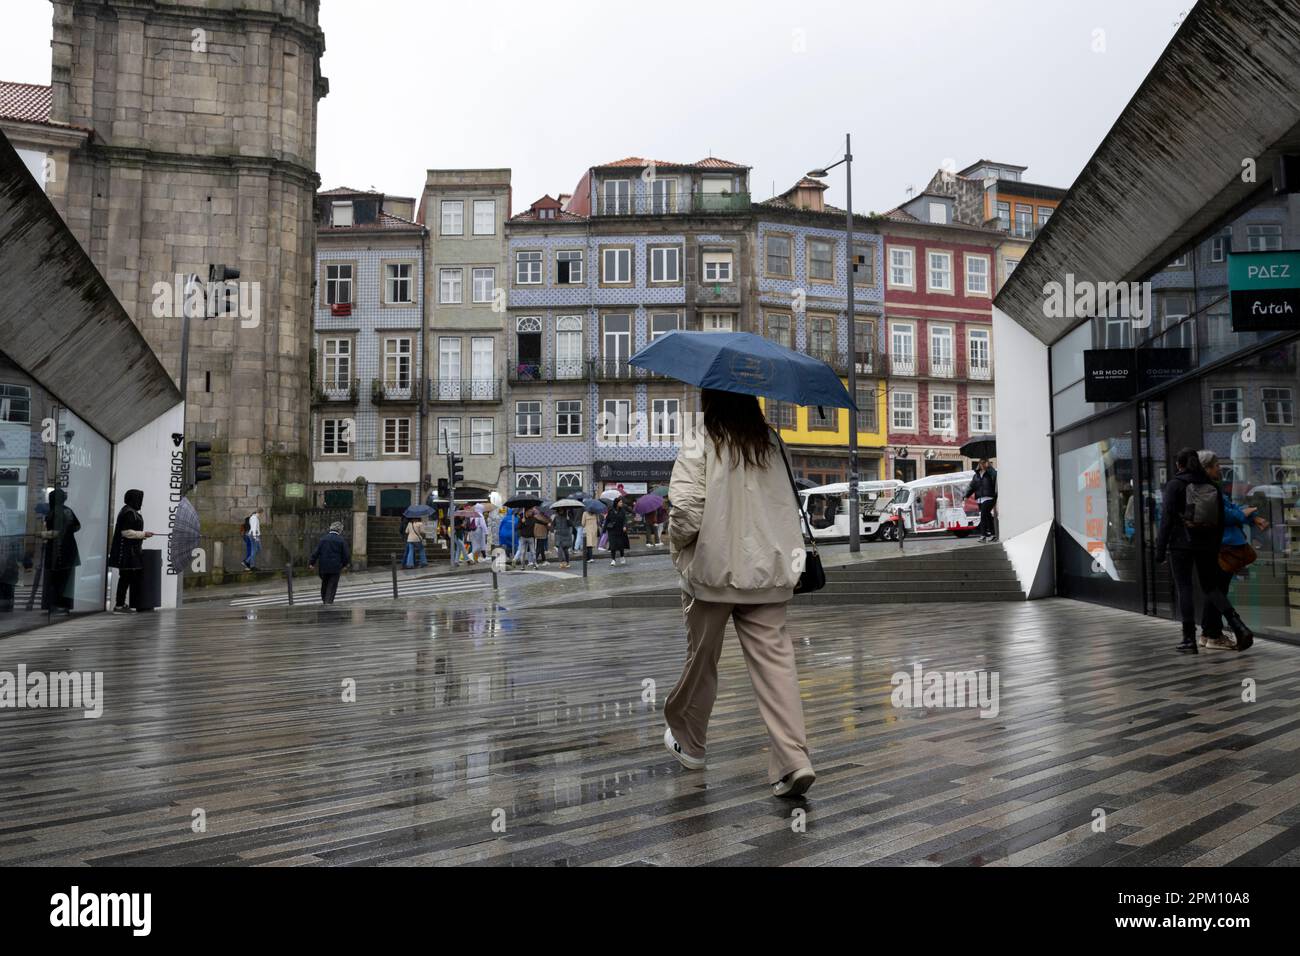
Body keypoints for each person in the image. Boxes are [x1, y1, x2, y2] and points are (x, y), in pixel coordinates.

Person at [663, 388, 814, 798]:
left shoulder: (701, 437)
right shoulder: (771, 441)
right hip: (769, 573)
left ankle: (691, 743)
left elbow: (687, 509)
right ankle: (793, 760)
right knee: (776, 667)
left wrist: (677, 544)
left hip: (713, 574)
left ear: (710, 398)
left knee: (702, 660)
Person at [1155, 448, 1252, 654]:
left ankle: (1189, 639)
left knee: (1185, 589)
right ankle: (1239, 627)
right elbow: (1218, 522)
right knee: (1211, 588)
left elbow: (1166, 520)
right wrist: (1215, 546)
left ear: (1179, 465)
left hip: (1180, 545)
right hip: (1207, 545)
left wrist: (1160, 550)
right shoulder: (1212, 486)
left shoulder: (1175, 485)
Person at [1199, 450, 1267, 651]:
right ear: (1207, 468)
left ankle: (1207, 633)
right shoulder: (1207, 489)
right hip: (1223, 545)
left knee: (1215, 590)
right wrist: (1243, 513)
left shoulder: (1212, 488)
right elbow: (1224, 515)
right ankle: (1214, 635)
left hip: (1221, 544)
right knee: (1218, 590)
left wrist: (1250, 517)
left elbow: (1230, 509)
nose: (1220, 468)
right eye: (1216, 464)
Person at [107, 489, 154, 612]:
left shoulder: (129, 511)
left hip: (130, 552)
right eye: (139, 500)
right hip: (127, 553)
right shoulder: (128, 513)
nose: (140, 503)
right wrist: (144, 533)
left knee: (127, 578)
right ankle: (119, 605)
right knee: (125, 578)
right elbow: (126, 532)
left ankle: (122, 604)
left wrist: (142, 535)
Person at [41, 488, 81, 613]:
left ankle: (55, 604)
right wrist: (68, 533)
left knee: (55, 579)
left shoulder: (54, 512)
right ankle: (65, 605)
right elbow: (77, 526)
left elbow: (55, 532)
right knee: (66, 580)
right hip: (69, 548)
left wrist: (41, 534)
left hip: (57, 550)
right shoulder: (68, 510)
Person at [308, 521, 351, 604]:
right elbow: (346, 554)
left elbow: (316, 552)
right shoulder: (341, 540)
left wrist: (311, 563)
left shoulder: (323, 539)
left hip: (323, 566)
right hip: (335, 567)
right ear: (340, 530)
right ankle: (328, 601)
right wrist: (346, 564)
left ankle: (324, 599)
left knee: (324, 583)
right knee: (332, 585)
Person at [966, 459, 998, 542]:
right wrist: (966, 495)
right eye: (981, 462)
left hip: (989, 498)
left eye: (984, 462)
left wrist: (990, 467)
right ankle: (993, 534)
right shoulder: (976, 475)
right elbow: (972, 487)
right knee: (987, 517)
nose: (982, 464)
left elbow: (995, 476)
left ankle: (983, 535)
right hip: (979, 499)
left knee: (983, 516)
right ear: (979, 464)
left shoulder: (990, 473)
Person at [605, 497, 630, 566]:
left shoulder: (622, 511)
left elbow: (625, 519)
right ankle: (613, 559)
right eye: (620, 502)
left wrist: (625, 526)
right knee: (613, 545)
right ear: (616, 503)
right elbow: (607, 520)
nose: (621, 503)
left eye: (621, 502)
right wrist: (604, 530)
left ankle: (622, 557)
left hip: (620, 530)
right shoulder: (611, 511)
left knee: (621, 544)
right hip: (612, 530)